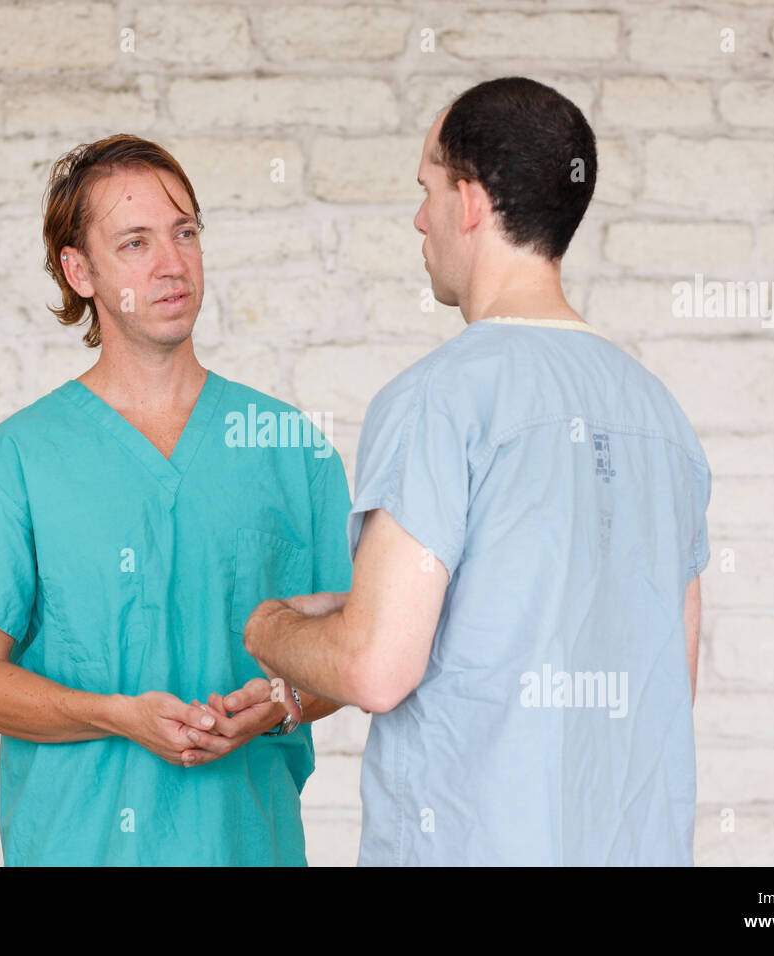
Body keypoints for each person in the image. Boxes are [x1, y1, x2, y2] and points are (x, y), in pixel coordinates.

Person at [244, 77, 711, 866]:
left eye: (426, 189)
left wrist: (270, 627)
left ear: (469, 202)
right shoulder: (662, 418)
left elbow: (375, 667)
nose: (419, 218)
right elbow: (668, 678)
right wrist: (382, 606)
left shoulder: (439, 398)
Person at [0, 134, 351, 865]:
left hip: (247, 845)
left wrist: (280, 703)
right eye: (135, 243)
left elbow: (354, 649)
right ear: (78, 270)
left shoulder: (288, 448)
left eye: (185, 233)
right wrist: (117, 717)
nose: (172, 264)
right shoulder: (22, 459)